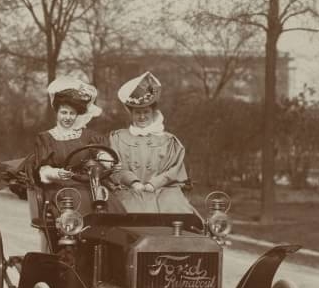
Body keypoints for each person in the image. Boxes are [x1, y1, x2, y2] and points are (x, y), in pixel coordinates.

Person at [108, 71, 197, 215]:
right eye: (137, 112)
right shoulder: (118, 138)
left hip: (164, 191)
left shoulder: (168, 140)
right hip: (129, 191)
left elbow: (175, 169)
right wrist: (133, 181)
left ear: (153, 112)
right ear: (131, 113)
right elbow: (115, 168)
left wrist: (154, 184)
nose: (142, 117)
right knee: (128, 217)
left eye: (146, 112)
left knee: (179, 214)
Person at [31, 75, 109, 216]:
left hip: (89, 186)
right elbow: (43, 170)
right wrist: (57, 174)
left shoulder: (88, 136)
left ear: (77, 115)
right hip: (60, 187)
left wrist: (107, 161)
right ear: (57, 113)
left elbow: (100, 153)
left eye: (72, 113)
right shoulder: (46, 138)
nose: (68, 117)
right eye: (64, 112)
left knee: (107, 207)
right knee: (74, 206)